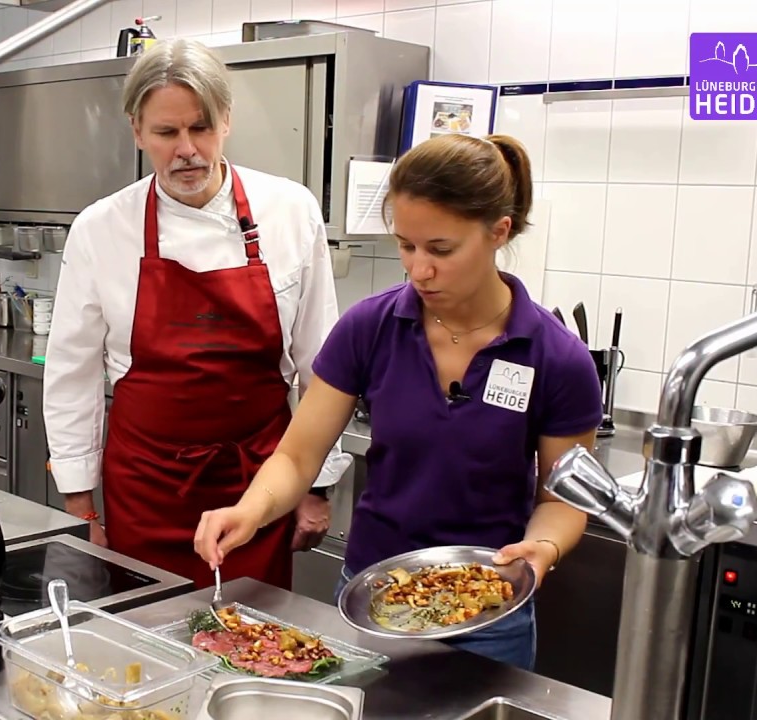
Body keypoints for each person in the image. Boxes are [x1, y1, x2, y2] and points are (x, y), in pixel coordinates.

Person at [193, 132, 603, 671]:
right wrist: (250, 509)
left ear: (498, 232)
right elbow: (297, 456)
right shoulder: (370, 327)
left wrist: (542, 549)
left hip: (489, 615)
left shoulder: (557, 357)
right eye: (406, 246)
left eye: (441, 250)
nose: (418, 269)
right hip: (373, 601)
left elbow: (562, 500)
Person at [42, 38, 352, 592]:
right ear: (137, 132)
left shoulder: (291, 211)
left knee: (253, 627)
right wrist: (79, 504)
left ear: (226, 120)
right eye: (166, 133)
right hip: (146, 486)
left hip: (258, 482)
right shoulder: (101, 228)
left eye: (201, 128)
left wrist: (317, 484)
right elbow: (72, 373)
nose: (187, 150)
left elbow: (320, 362)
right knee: (141, 624)